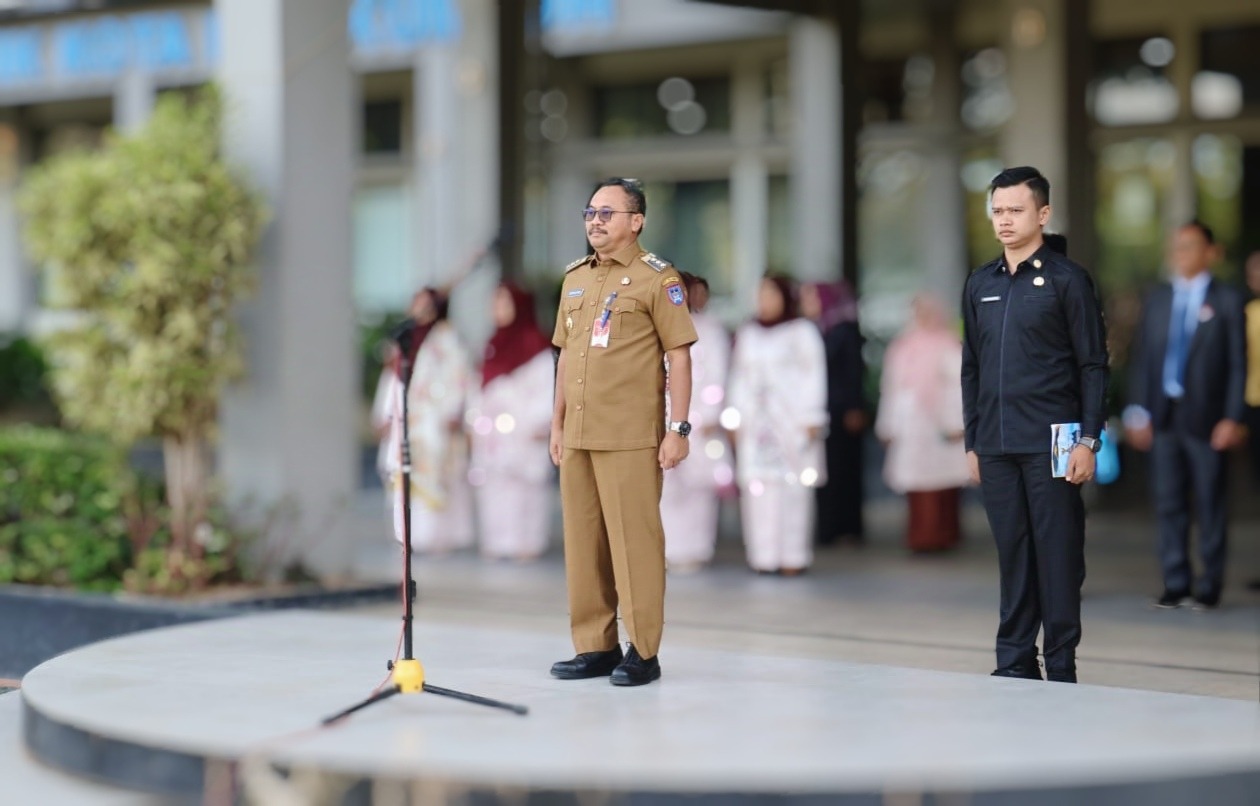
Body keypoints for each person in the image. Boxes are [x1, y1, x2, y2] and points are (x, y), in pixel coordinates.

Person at [961, 166, 1109, 684]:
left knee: (1059, 554)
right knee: (1013, 553)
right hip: (997, 443)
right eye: (997, 210)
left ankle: (1062, 663)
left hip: (1055, 443)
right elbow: (971, 368)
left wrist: (1089, 439)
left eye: (1015, 210)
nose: (1004, 220)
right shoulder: (980, 282)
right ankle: (1015, 659)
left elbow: (1093, 365)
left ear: (1042, 214)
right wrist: (973, 439)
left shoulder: (1067, 280)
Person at [548, 178, 698, 687]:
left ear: (636, 222)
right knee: (584, 544)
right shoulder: (573, 280)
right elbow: (566, 356)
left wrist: (678, 428)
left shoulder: (659, 280)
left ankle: (643, 651)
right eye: (590, 212)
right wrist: (557, 423)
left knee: (635, 545)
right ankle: (595, 646)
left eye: (607, 213)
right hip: (579, 434)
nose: (595, 221)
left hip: (631, 435)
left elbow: (678, 355)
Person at [1123, 222, 1247, 611]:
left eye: (1191, 246)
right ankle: (1176, 583)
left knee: (1210, 503)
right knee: (1168, 502)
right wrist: (1137, 410)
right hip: (1162, 417)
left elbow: (1238, 364)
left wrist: (1232, 417)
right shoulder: (1158, 298)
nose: (1181, 254)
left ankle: (1209, 586)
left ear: (1212, 252)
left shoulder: (1227, 300)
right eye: (1176, 247)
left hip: (1208, 420)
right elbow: (1142, 358)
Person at [727, 275, 829, 575]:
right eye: (760, 294)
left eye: (771, 294)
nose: (764, 301)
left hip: (793, 423)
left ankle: (793, 557)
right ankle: (763, 557)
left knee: (794, 490)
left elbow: (814, 375)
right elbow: (738, 377)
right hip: (757, 425)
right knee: (759, 491)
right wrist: (733, 417)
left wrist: (812, 416)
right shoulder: (748, 333)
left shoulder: (802, 332)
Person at [381, 288, 475, 554]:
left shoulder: (448, 338)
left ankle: (437, 539)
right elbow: (394, 380)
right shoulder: (407, 339)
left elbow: (458, 377)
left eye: (426, 304)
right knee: (405, 477)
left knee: (435, 477)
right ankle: (409, 536)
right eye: (416, 303)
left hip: (435, 421)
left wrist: (452, 411)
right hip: (410, 419)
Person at [875, 293, 972, 552]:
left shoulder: (949, 344)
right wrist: (887, 426)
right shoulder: (902, 346)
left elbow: (960, 387)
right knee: (916, 483)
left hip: (942, 421)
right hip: (910, 422)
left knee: (944, 483)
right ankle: (921, 537)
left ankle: (943, 535)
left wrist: (958, 423)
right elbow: (891, 388)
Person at [466, 282, 555, 562]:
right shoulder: (491, 345)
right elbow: (477, 387)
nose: (497, 309)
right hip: (493, 435)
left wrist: (537, 423)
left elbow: (547, 389)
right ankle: (497, 540)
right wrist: (474, 421)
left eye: (504, 302)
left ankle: (527, 542)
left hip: (524, 434)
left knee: (524, 490)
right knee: (494, 488)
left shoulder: (537, 346)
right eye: (495, 303)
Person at [660, 273, 732, 572]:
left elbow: (718, 374)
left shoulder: (711, 331)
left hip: (699, 423)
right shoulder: (660, 326)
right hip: (664, 418)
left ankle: (697, 547)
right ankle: (667, 548)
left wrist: (710, 414)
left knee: (699, 489)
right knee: (666, 488)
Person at [800, 281, 867, 546]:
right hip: (818, 413)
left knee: (843, 470)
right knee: (823, 469)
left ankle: (845, 528)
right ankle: (826, 528)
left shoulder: (843, 330)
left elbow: (853, 372)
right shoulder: (810, 330)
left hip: (841, 412)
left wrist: (854, 406)